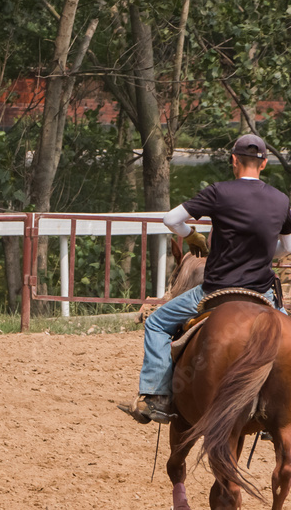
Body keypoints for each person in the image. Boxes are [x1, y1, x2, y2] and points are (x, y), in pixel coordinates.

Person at [121, 133, 291, 424]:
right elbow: (287, 248)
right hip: (262, 294)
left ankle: (156, 397)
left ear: (234, 161)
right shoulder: (281, 200)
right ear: (263, 164)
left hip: (216, 291)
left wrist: (192, 235)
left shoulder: (219, 192)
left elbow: (171, 219)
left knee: (157, 323)